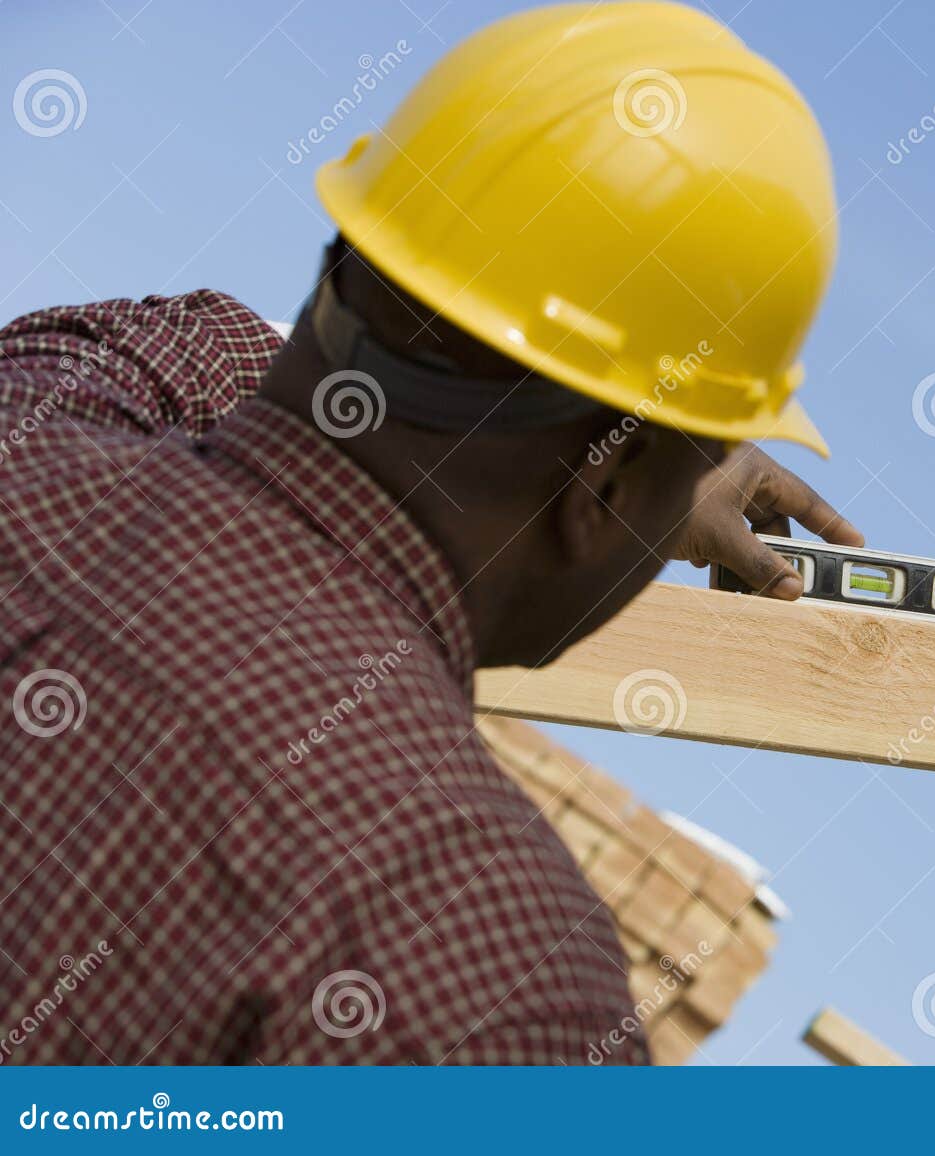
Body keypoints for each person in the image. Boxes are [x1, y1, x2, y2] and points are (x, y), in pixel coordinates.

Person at [0, 2, 860, 1064]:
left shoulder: (30, 431)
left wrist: (434, 374)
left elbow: (125, 349)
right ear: (611, 476)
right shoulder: (505, 983)